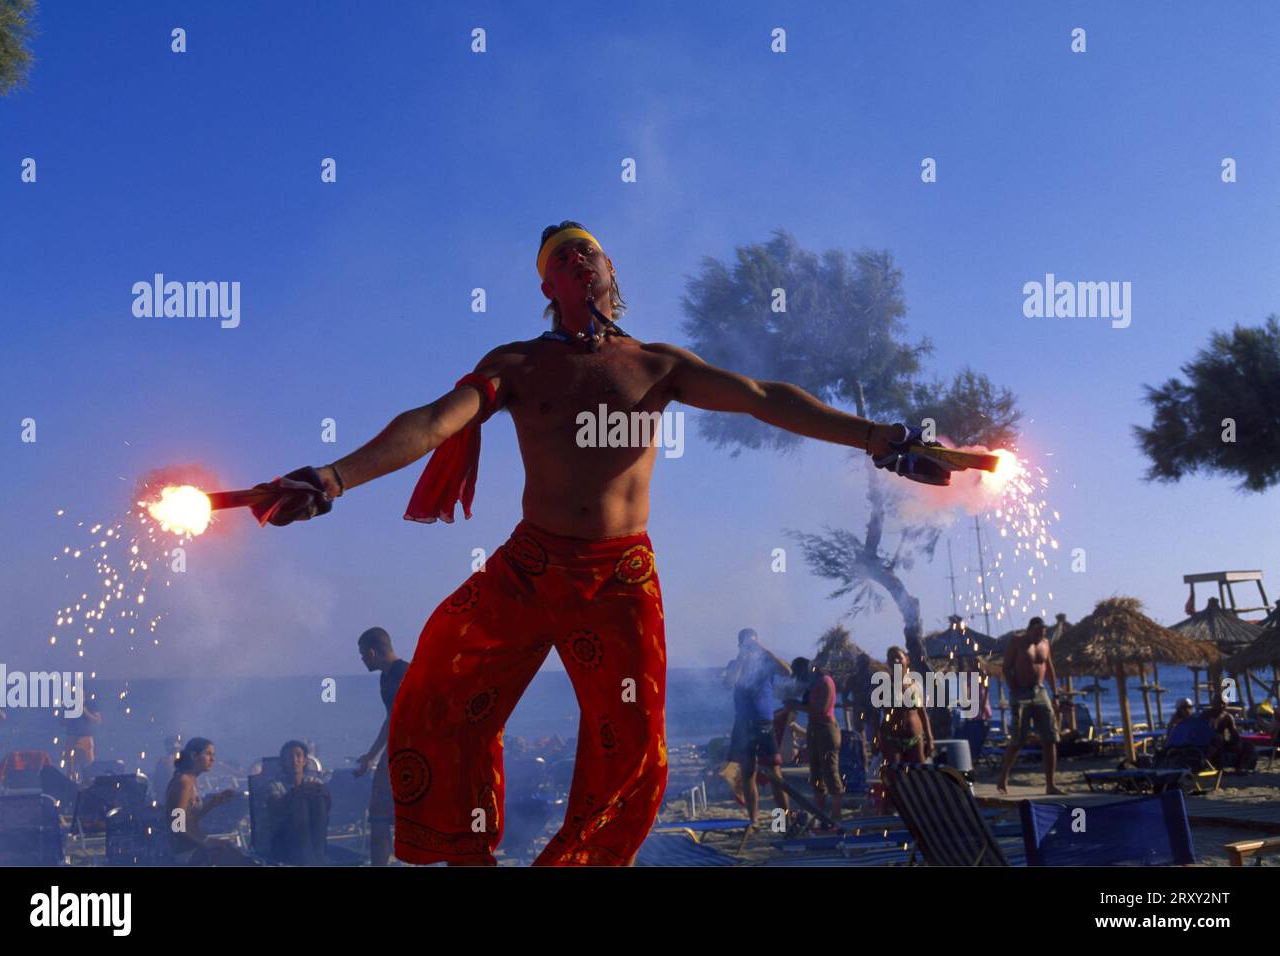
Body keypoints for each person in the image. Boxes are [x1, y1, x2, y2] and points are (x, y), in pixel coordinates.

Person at [254, 220, 944, 865]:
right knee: (434, 683)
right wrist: (335, 476)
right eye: (559, 258)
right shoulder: (519, 363)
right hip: (530, 566)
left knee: (639, 754)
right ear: (547, 289)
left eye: (585, 250)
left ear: (610, 269)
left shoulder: (656, 364)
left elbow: (764, 395)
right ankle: (468, 853)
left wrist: (876, 437)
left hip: (619, 577)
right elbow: (437, 419)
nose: (575, 260)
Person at [353, 626, 409, 866]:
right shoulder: (385, 677)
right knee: (379, 816)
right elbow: (391, 719)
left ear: (372, 653)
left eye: (362, 654)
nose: (362, 659)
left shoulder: (405, 673)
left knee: (395, 815)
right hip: (395, 752)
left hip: (413, 754)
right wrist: (371, 756)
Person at [726, 628, 792, 827]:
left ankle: (783, 821)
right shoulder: (735, 664)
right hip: (743, 722)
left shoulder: (766, 664)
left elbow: (787, 671)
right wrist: (741, 659)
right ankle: (753, 820)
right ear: (739, 645)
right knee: (748, 773)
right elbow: (730, 684)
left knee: (774, 773)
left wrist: (763, 650)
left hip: (763, 721)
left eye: (752, 644)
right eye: (746, 644)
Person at [996, 617, 1063, 795]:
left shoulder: (1045, 643)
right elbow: (1006, 668)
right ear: (1029, 629)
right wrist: (1014, 691)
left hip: (1040, 692)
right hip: (1021, 693)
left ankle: (1050, 784)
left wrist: (1055, 694)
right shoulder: (1017, 642)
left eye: (1043, 632)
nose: (1040, 635)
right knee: (1018, 739)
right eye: (1037, 632)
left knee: (1050, 737)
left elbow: (1049, 669)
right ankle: (1003, 777)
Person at [164, 738, 250, 865]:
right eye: (208, 754)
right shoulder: (184, 782)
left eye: (213, 755)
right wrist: (205, 842)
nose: (212, 759)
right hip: (186, 853)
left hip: (192, 847)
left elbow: (187, 821)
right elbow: (177, 827)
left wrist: (212, 804)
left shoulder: (191, 781)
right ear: (194, 755)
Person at [787, 657, 844, 823]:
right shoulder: (813, 684)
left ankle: (836, 814)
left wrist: (795, 706)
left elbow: (821, 708)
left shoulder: (825, 682)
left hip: (826, 729)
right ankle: (820, 812)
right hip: (814, 729)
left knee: (830, 771)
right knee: (816, 772)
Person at [267, 740, 331, 866]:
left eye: (298, 755)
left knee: (318, 799)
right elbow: (275, 808)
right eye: (289, 757)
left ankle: (318, 852)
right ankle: (307, 856)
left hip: (313, 835)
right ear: (283, 762)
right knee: (300, 803)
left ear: (305, 760)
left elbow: (327, 806)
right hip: (284, 839)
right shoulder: (274, 784)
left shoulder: (314, 781)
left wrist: (323, 792)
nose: (294, 760)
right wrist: (297, 793)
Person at [878, 646, 934, 766]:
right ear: (888, 662)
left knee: (918, 774)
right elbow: (874, 715)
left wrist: (929, 738)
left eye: (899, 657)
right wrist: (876, 739)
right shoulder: (884, 686)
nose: (896, 661)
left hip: (915, 738)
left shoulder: (915, 685)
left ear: (907, 659)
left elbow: (922, 713)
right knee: (894, 775)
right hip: (891, 739)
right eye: (892, 658)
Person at [61, 695, 103, 782]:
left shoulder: (90, 704)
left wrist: (85, 711)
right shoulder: (69, 705)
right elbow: (62, 723)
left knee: (88, 766)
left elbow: (98, 720)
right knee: (70, 766)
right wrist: (71, 713)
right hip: (71, 737)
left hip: (85, 739)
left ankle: (89, 786)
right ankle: (71, 786)